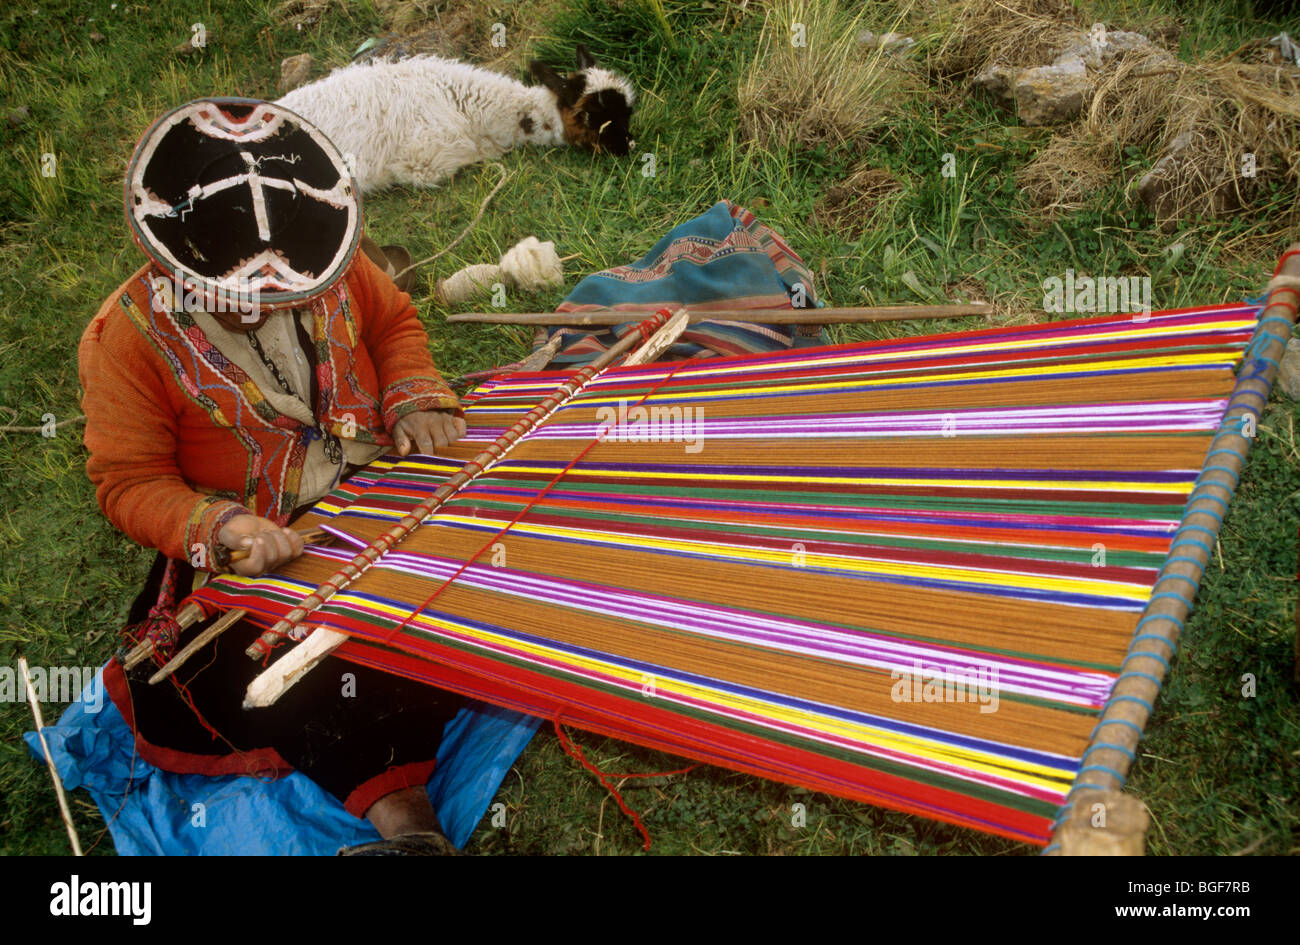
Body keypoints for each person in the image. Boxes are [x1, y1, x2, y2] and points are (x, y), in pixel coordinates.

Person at [79, 97, 467, 854]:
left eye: (276, 294)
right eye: (238, 298)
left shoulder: (325, 260)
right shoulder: (124, 340)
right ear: (177, 260)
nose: (261, 308)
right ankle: (409, 828)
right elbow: (128, 481)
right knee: (291, 666)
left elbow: (392, 326)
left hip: (383, 495)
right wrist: (221, 530)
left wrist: (413, 394)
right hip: (259, 550)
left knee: (483, 580)